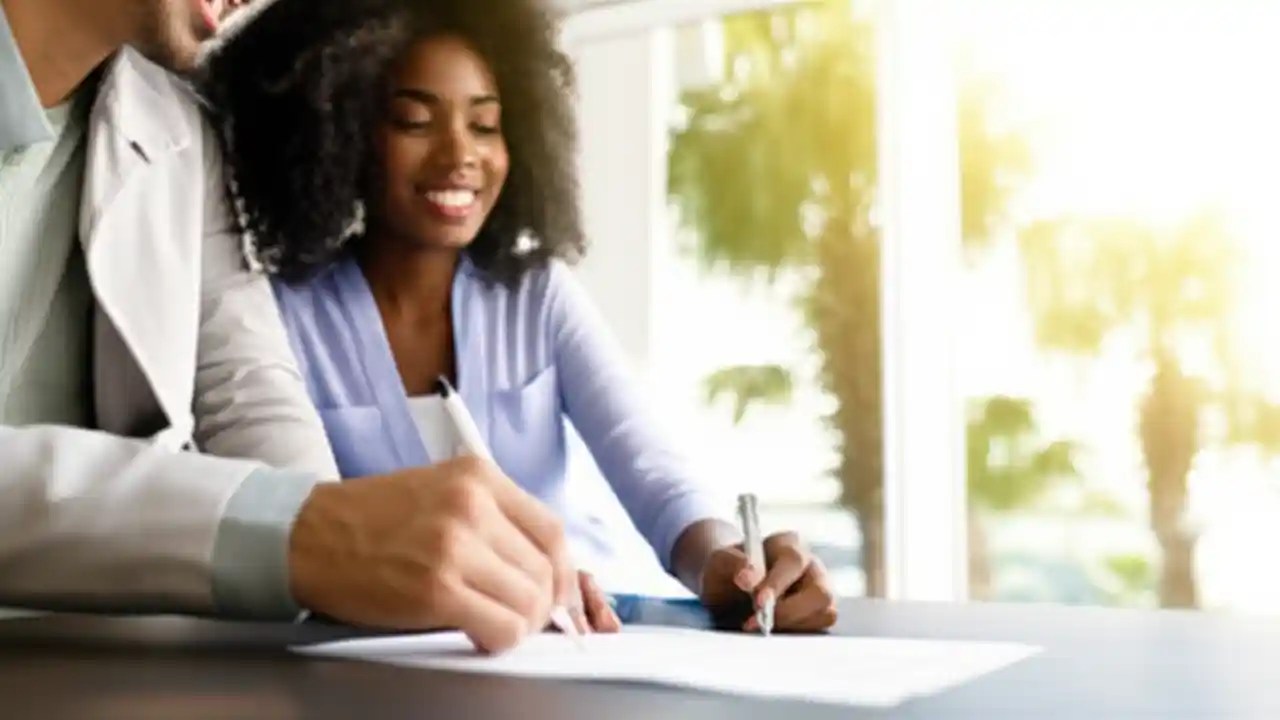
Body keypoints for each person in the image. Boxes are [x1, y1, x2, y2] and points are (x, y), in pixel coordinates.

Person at [203, 0, 839, 634]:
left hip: (557, 652)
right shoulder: (279, 318)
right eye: (414, 121)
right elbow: (290, 533)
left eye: (485, 125)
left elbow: (658, 481)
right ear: (338, 132)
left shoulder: (538, 297)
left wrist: (725, 565)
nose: (460, 155)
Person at [0, 0, 580, 654]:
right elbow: (295, 525)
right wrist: (300, 531)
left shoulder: (181, 128)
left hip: (78, 665)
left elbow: (243, 389)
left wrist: (387, 567)